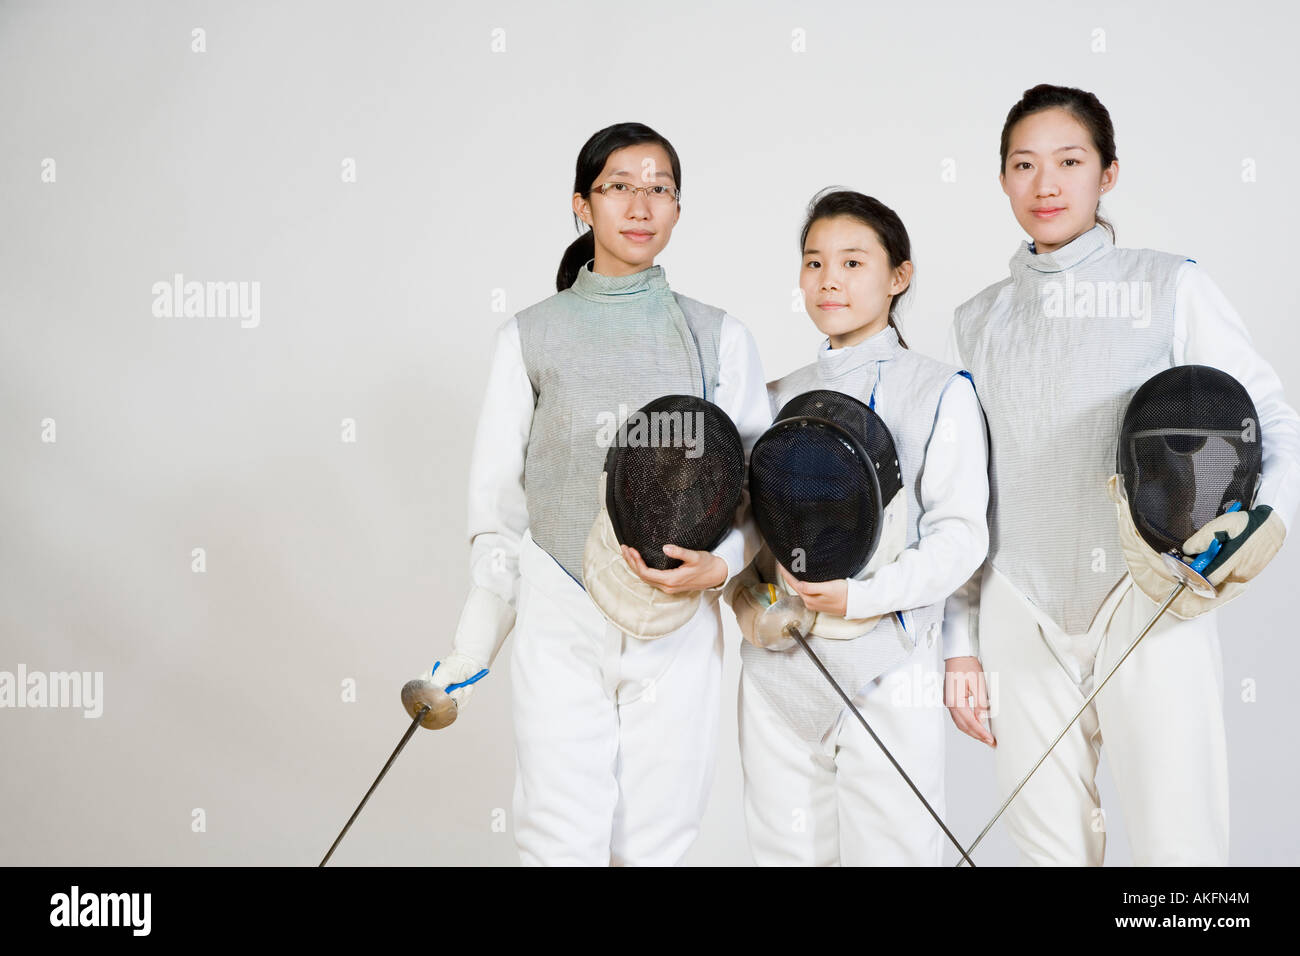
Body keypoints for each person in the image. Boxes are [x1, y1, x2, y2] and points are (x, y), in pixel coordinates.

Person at [943, 83, 1300, 865]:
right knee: (1046, 853)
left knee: (1180, 848)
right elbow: (969, 491)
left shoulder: (1170, 283)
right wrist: (961, 639)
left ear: (1107, 173)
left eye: (1069, 161)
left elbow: (1265, 414)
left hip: (1150, 592)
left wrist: (1246, 532)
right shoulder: (978, 320)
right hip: (1021, 602)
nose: (1046, 184)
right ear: (1002, 178)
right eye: (1024, 164)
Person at [416, 122, 771, 866]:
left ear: (677, 209)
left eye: (660, 188)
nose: (641, 205)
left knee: (656, 840)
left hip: (674, 616)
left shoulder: (720, 337)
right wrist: (467, 651)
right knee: (557, 833)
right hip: (560, 607)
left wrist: (724, 564)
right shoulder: (530, 336)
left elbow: (754, 496)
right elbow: (498, 512)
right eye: (619, 187)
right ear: (582, 204)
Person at [728, 189, 989, 865]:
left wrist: (862, 597)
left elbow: (961, 537)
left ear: (897, 277)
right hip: (778, 667)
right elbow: (749, 528)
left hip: (888, 665)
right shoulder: (776, 396)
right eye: (814, 263)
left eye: (852, 262)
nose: (829, 280)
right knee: (784, 855)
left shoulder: (940, 389)